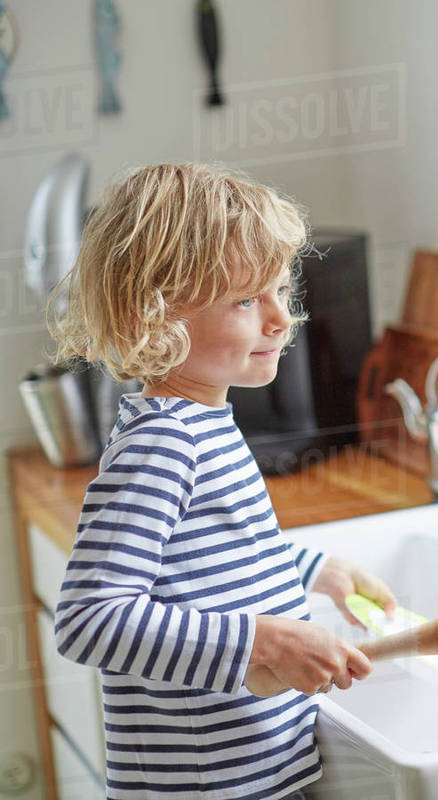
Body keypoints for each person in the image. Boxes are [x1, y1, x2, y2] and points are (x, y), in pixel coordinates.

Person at [49, 163, 399, 800]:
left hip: (255, 773)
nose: (279, 319)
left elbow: (207, 564)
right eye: (245, 299)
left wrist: (317, 570)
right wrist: (261, 641)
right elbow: (88, 618)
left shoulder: (202, 422)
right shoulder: (162, 444)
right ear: (153, 317)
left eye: (280, 293)